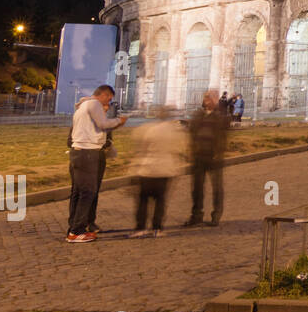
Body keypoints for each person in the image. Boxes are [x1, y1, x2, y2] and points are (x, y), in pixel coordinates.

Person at [67, 86, 128, 243]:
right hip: (88, 152)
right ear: (104, 95)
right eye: (109, 98)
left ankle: (73, 227)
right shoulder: (94, 104)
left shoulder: (83, 106)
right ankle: (76, 231)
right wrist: (119, 121)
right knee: (88, 192)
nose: (108, 102)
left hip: (79, 152)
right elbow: (103, 124)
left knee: (79, 192)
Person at [128, 106, 186, 238]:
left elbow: (141, 148)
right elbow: (180, 149)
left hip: (148, 168)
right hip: (166, 169)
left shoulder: (149, 130)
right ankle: (157, 227)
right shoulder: (175, 131)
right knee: (161, 200)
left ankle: (141, 227)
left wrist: (135, 166)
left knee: (143, 200)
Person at [184, 90, 228, 227]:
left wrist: (218, 153)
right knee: (197, 188)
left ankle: (216, 215)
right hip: (198, 156)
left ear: (215, 100)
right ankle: (196, 215)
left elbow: (222, 138)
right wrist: (191, 150)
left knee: (217, 188)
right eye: (205, 97)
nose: (206, 100)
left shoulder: (221, 117)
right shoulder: (198, 115)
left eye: (209, 97)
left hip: (214, 158)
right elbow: (192, 133)